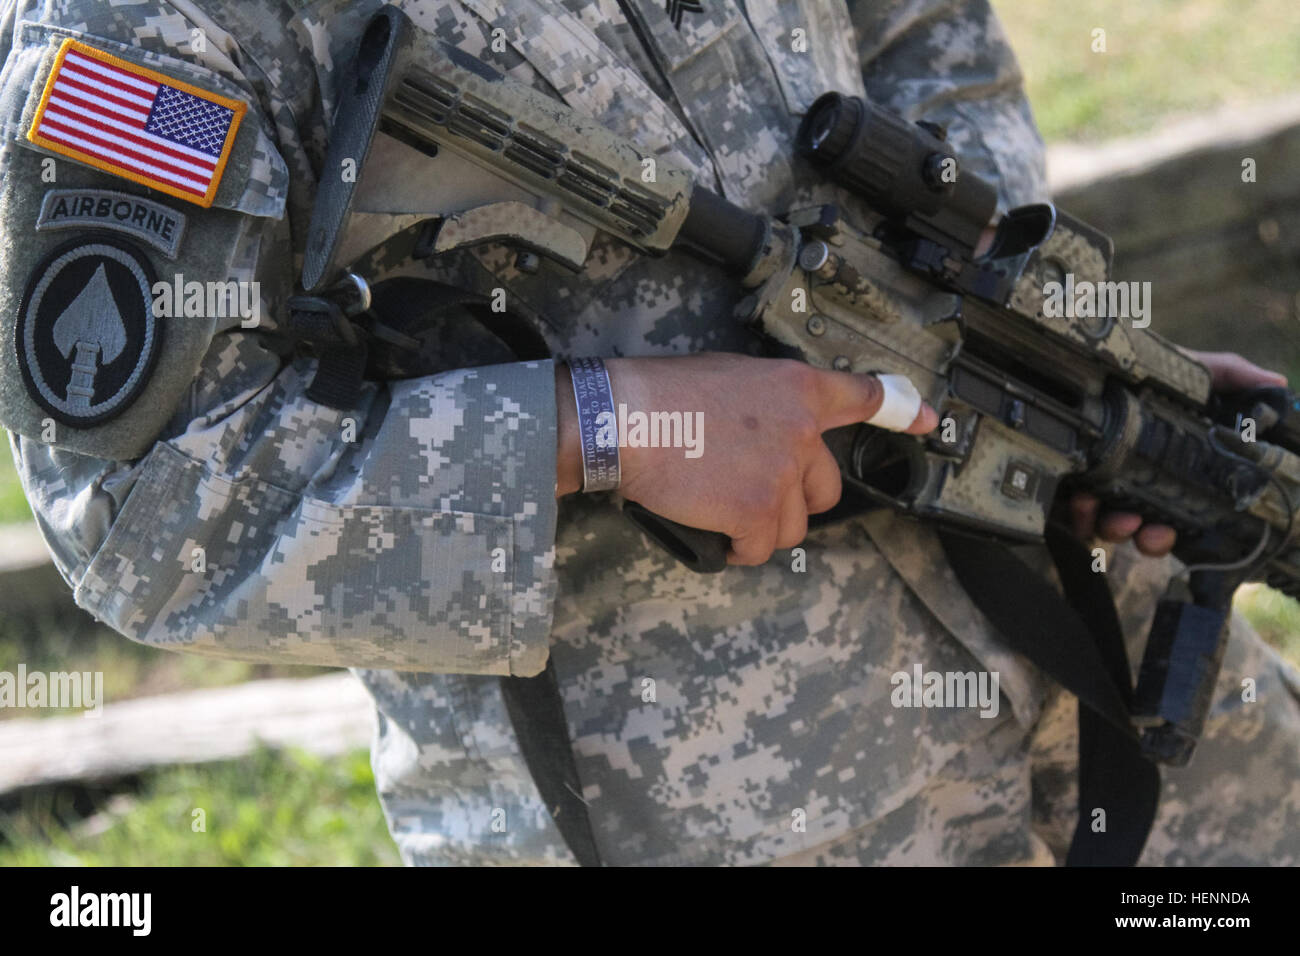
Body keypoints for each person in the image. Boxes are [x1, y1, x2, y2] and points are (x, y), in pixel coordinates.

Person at [1, 0, 1296, 865]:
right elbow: (151, 513)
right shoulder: (142, 33)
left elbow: (927, 29)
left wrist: (1025, 353)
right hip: (728, 801)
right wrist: (607, 426)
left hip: (1122, 689)